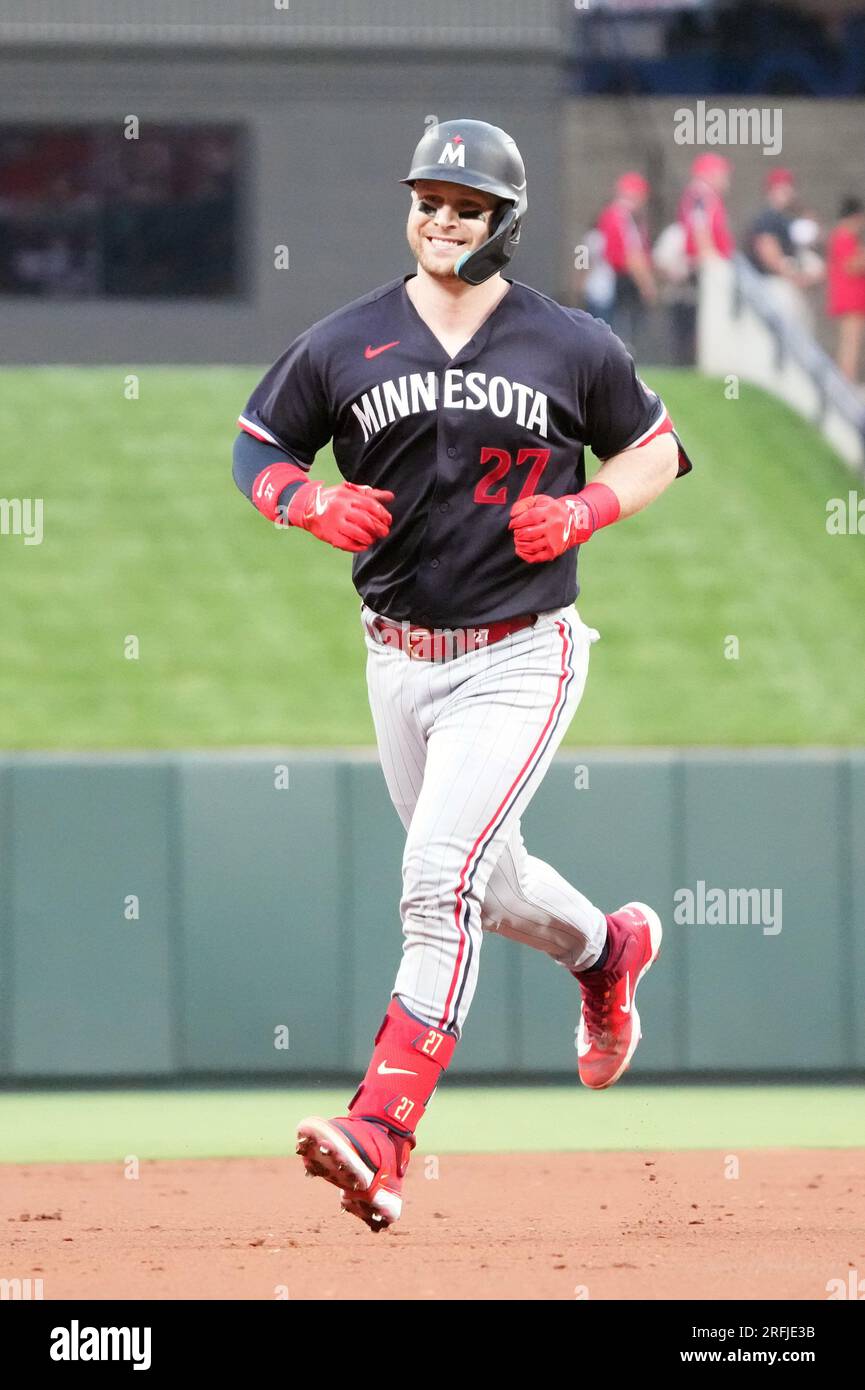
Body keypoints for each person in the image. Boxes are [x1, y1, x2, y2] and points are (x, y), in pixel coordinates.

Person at [232, 119, 692, 1232]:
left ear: (505, 223)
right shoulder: (347, 341)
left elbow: (658, 445)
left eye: (467, 204)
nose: (442, 218)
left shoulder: (567, 343)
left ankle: (382, 1130)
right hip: (398, 659)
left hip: (520, 653)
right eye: (430, 198)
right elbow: (258, 444)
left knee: (436, 878)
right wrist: (303, 501)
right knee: (483, 885)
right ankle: (607, 948)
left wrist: (585, 506)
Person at [745, 168, 823, 334]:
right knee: (787, 334)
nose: (786, 191)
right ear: (771, 191)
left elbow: (810, 244)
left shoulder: (790, 217)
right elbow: (768, 251)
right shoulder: (768, 217)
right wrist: (796, 277)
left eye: (788, 187)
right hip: (774, 284)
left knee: (801, 331)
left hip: (790, 282)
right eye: (781, 188)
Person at [673, 153, 734, 363]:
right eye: (722, 175)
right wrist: (711, 258)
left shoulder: (703, 196)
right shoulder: (700, 195)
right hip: (700, 268)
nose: (726, 181)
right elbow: (700, 228)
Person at [595, 172, 658, 349]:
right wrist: (646, 285)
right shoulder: (622, 217)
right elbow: (632, 255)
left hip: (610, 278)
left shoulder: (610, 215)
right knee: (623, 326)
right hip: (620, 278)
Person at [826, 196, 865, 382]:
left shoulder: (843, 237)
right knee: (851, 345)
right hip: (851, 301)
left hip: (852, 300)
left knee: (850, 344)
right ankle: (846, 384)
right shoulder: (843, 236)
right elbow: (851, 266)